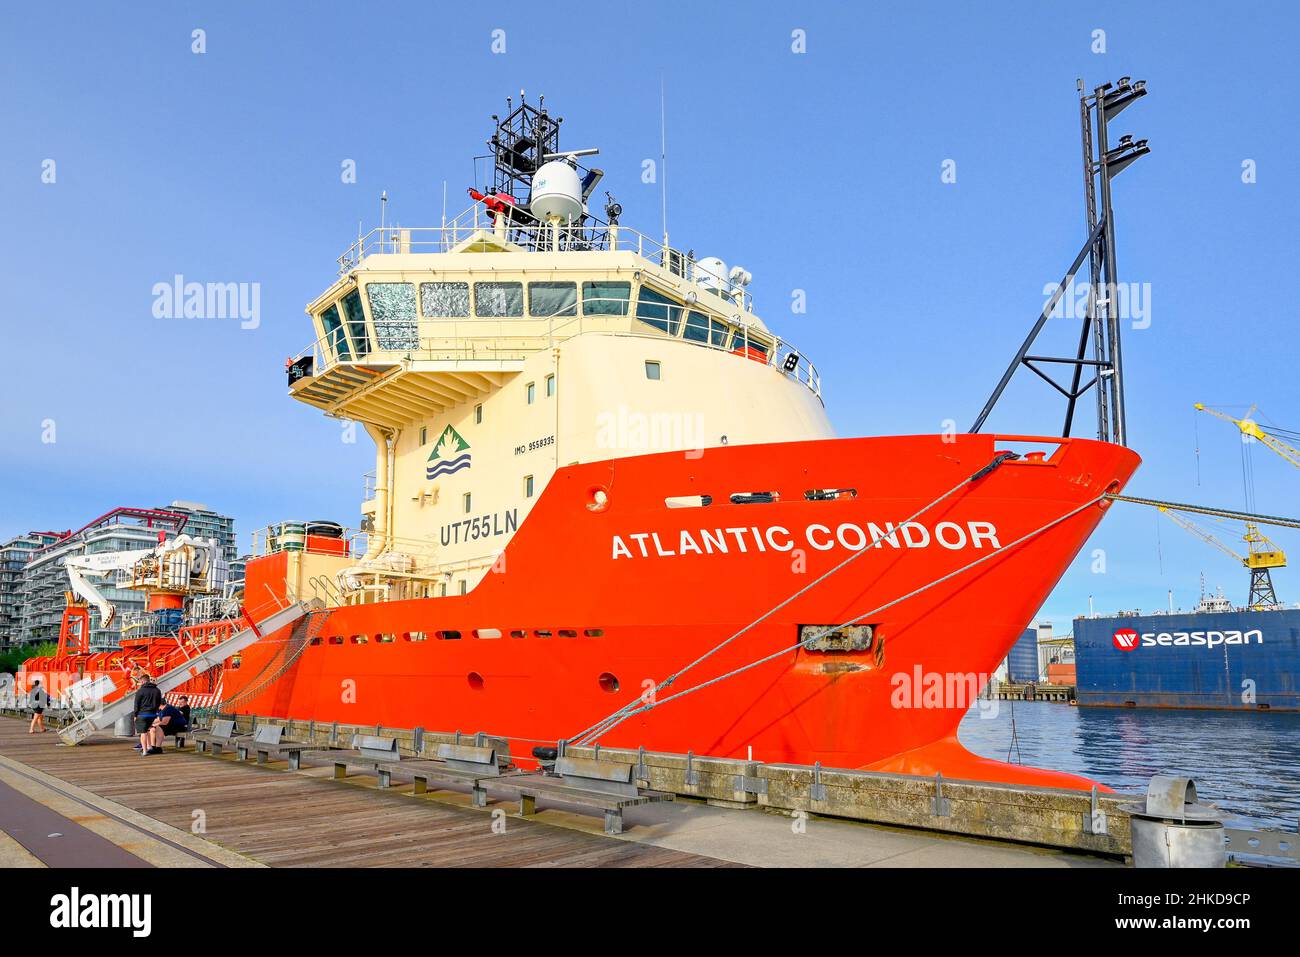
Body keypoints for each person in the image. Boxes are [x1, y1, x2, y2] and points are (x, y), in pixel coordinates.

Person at [132, 675, 163, 756]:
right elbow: (159, 702)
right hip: (152, 715)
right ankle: (149, 747)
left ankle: (145, 751)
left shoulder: (140, 691)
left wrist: (135, 715)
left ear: (143, 681)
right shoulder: (157, 690)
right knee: (149, 729)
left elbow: (136, 704)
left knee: (143, 733)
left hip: (142, 714)